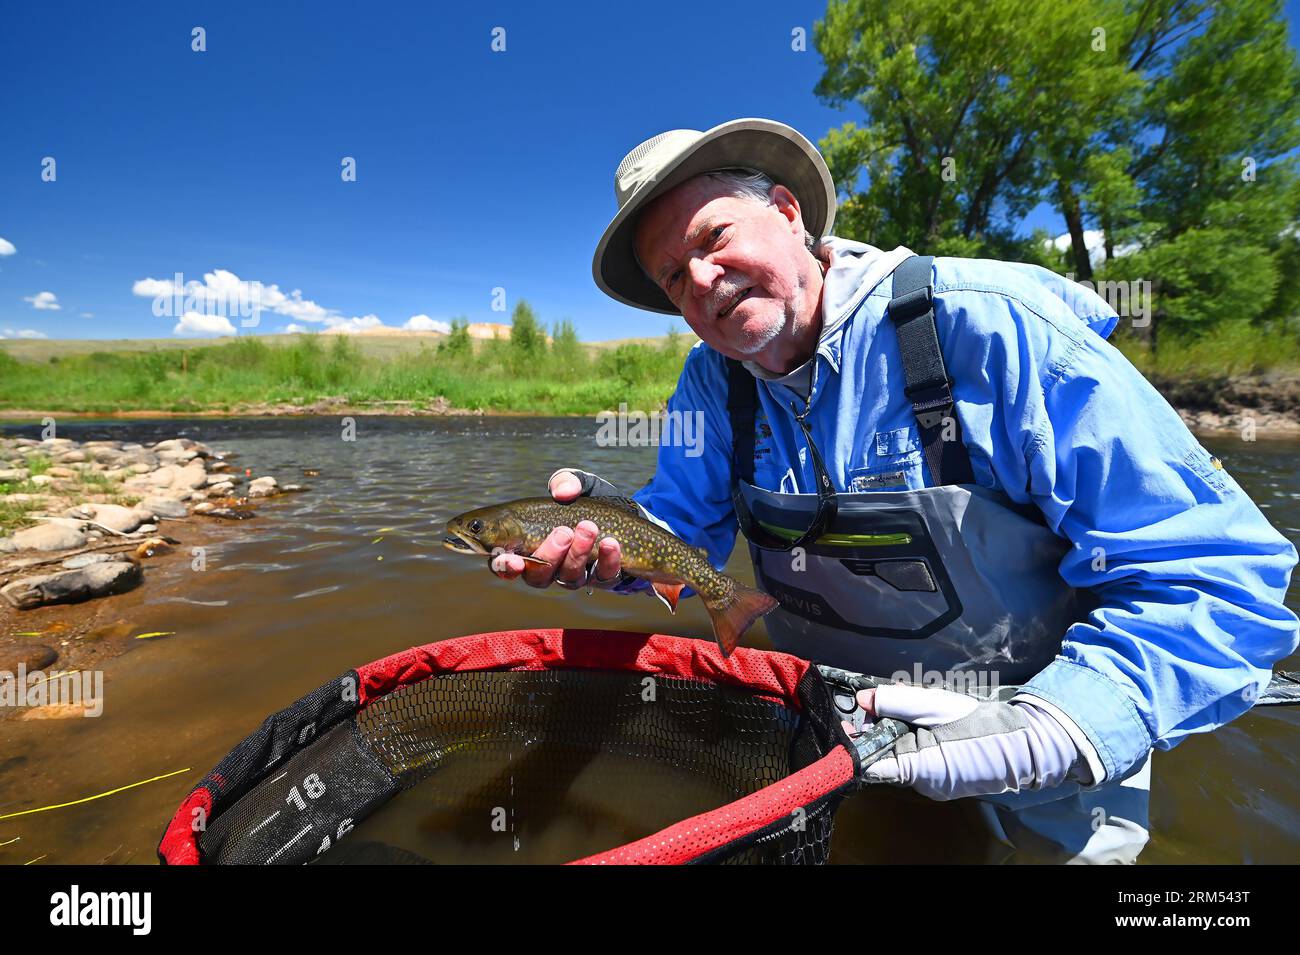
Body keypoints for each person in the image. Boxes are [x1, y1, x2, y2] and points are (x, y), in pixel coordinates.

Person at [490, 118, 1300, 863]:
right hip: (846, 732)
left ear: (787, 209)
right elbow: (683, 531)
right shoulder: (711, 385)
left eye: (715, 236)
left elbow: (1219, 578)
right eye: (673, 278)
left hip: (1047, 733)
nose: (701, 279)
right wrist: (608, 531)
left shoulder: (991, 325)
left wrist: (1052, 729)